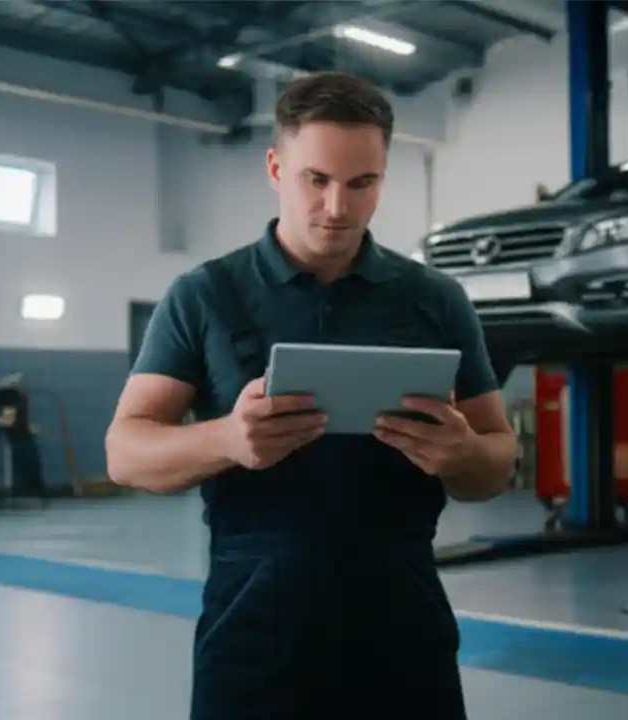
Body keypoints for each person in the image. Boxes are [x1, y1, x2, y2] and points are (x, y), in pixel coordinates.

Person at [105, 71, 517, 720]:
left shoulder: (435, 300)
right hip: (253, 641)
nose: (337, 207)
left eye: (362, 184)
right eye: (315, 180)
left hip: (403, 635)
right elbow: (125, 452)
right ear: (275, 166)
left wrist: (461, 453)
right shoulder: (205, 295)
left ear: (383, 175)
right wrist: (225, 438)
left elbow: (498, 459)